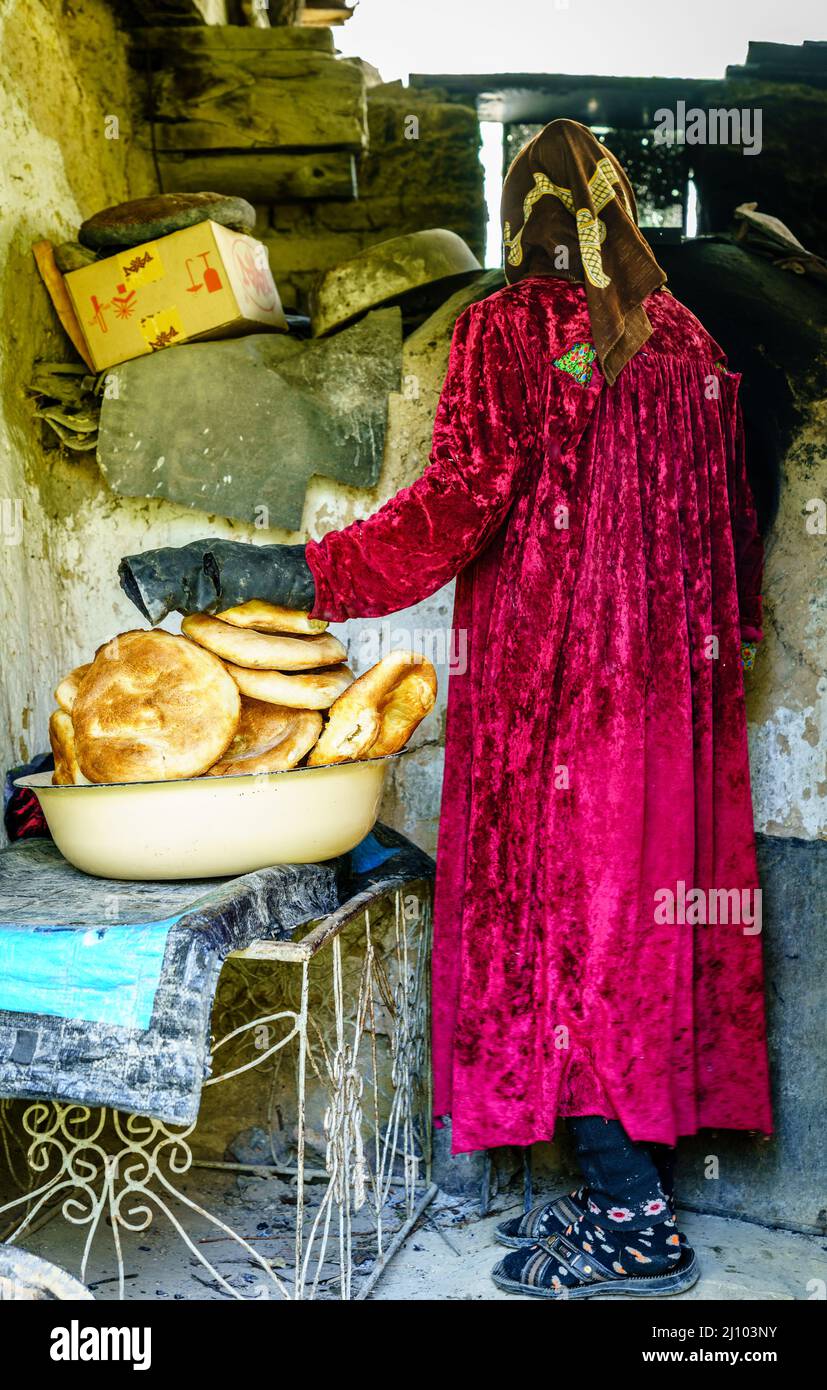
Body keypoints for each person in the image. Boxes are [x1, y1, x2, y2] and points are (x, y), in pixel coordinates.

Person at [121, 120, 771, 1300]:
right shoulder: (687, 338)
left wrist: (269, 571)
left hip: (555, 690)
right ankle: (635, 1198)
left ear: (517, 213)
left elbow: (448, 511)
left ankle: (633, 1226)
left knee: (558, 936)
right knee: (637, 935)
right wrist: (706, 662)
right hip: (671, 700)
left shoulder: (514, 327)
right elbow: (729, 540)